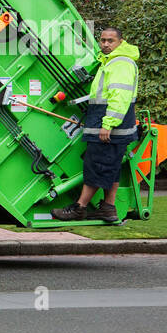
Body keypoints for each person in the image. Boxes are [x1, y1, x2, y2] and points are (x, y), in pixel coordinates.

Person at [51, 26, 139, 223]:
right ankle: (108, 208)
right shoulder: (111, 62)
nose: (105, 44)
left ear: (120, 42)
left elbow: (120, 97)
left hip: (109, 125)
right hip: (111, 124)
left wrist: (108, 124)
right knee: (111, 167)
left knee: (96, 166)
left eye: (110, 41)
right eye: (102, 40)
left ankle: (79, 208)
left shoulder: (121, 63)